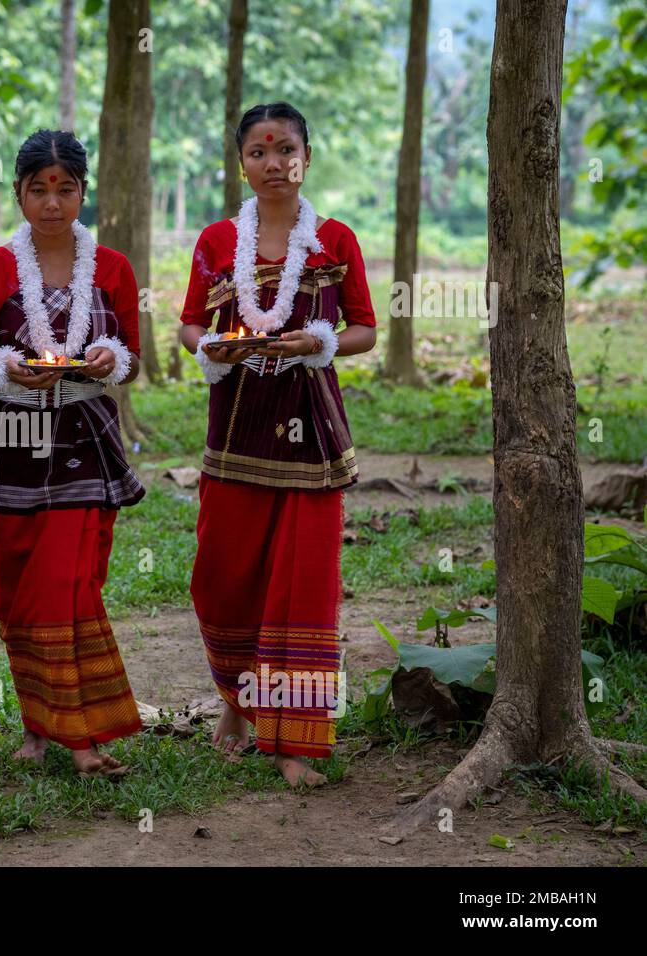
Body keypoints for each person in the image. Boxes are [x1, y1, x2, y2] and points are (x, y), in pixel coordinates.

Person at [177, 103, 377, 788]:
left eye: (286, 149)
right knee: (222, 576)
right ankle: (236, 702)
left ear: (307, 158)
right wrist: (217, 347)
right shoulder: (214, 241)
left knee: (304, 586)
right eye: (259, 152)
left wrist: (317, 342)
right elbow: (187, 327)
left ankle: (293, 742)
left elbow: (366, 332)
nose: (274, 163)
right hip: (235, 429)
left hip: (312, 436)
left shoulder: (336, 242)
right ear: (242, 163)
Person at [0, 129, 145, 778]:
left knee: (68, 588)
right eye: (38, 189)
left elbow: (133, 363)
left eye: (65, 189)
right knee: (17, 593)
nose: (52, 202)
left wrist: (106, 359)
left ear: (83, 193)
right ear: (18, 193)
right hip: (13, 446)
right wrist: (11, 371)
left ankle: (84, 737)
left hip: (86, 444)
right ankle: (39, 726)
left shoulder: (114, 269)